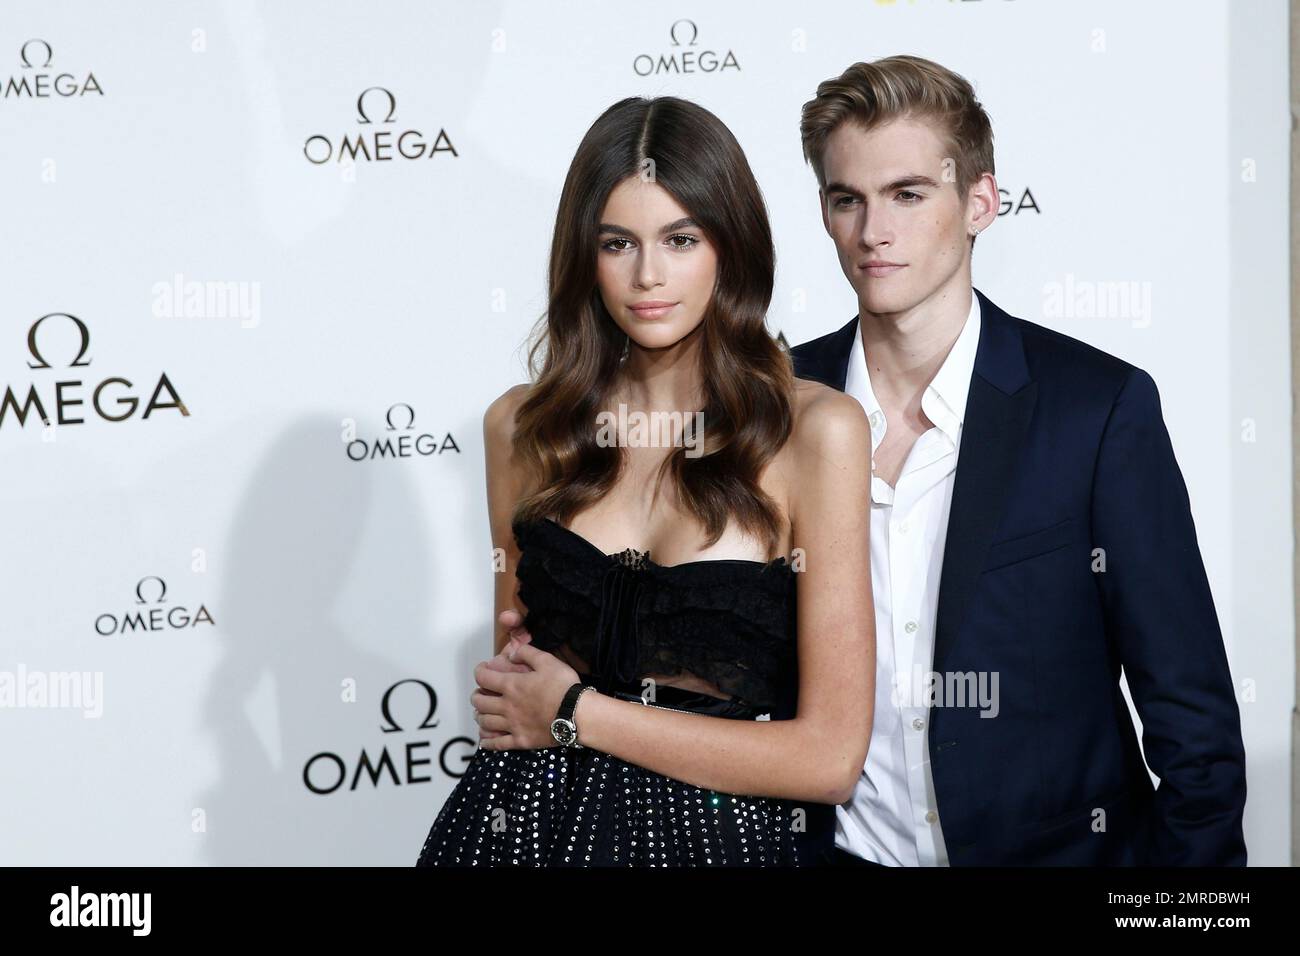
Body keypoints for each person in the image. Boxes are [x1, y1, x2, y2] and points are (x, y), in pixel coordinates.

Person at [790, 55, 1247, 866]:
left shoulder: (1097, 410)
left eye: (908, 193)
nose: (873, 232)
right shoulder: (777, 405)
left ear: (980, 202)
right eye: (846, 199)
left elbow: (1191, 721)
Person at [414, 95, 875, 867]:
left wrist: (574, 713)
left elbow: (829, 761)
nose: (649, 275)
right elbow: (510, 692)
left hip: (719, 846)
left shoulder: (813, 433)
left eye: (681, 238)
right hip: (520, 831)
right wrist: (540, 706)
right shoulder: (524, 429)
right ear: (584, 256)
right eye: (618, 243)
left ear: (729, 245)